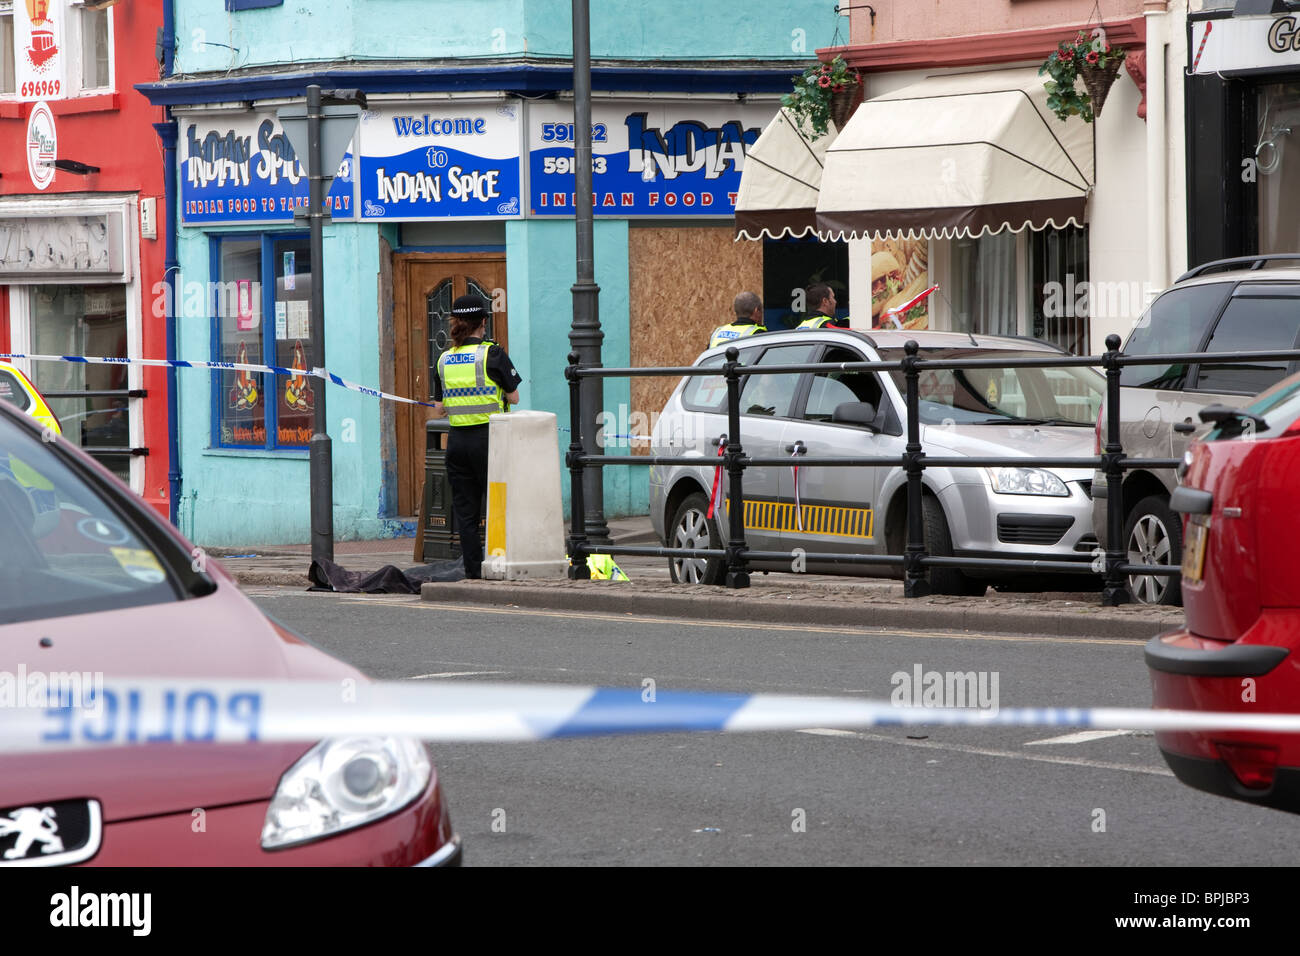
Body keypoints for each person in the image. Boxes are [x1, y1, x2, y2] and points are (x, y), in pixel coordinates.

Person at [431, 294, 522, 579]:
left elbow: (438, 409)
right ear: (484, 321)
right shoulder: (491, 353)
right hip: (489, 440)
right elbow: (515, 397)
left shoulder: (444, 359)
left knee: (466, 513)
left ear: (456, 322)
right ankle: (502, 565)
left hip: (457, 442)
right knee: (499, 505)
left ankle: (473, 572)